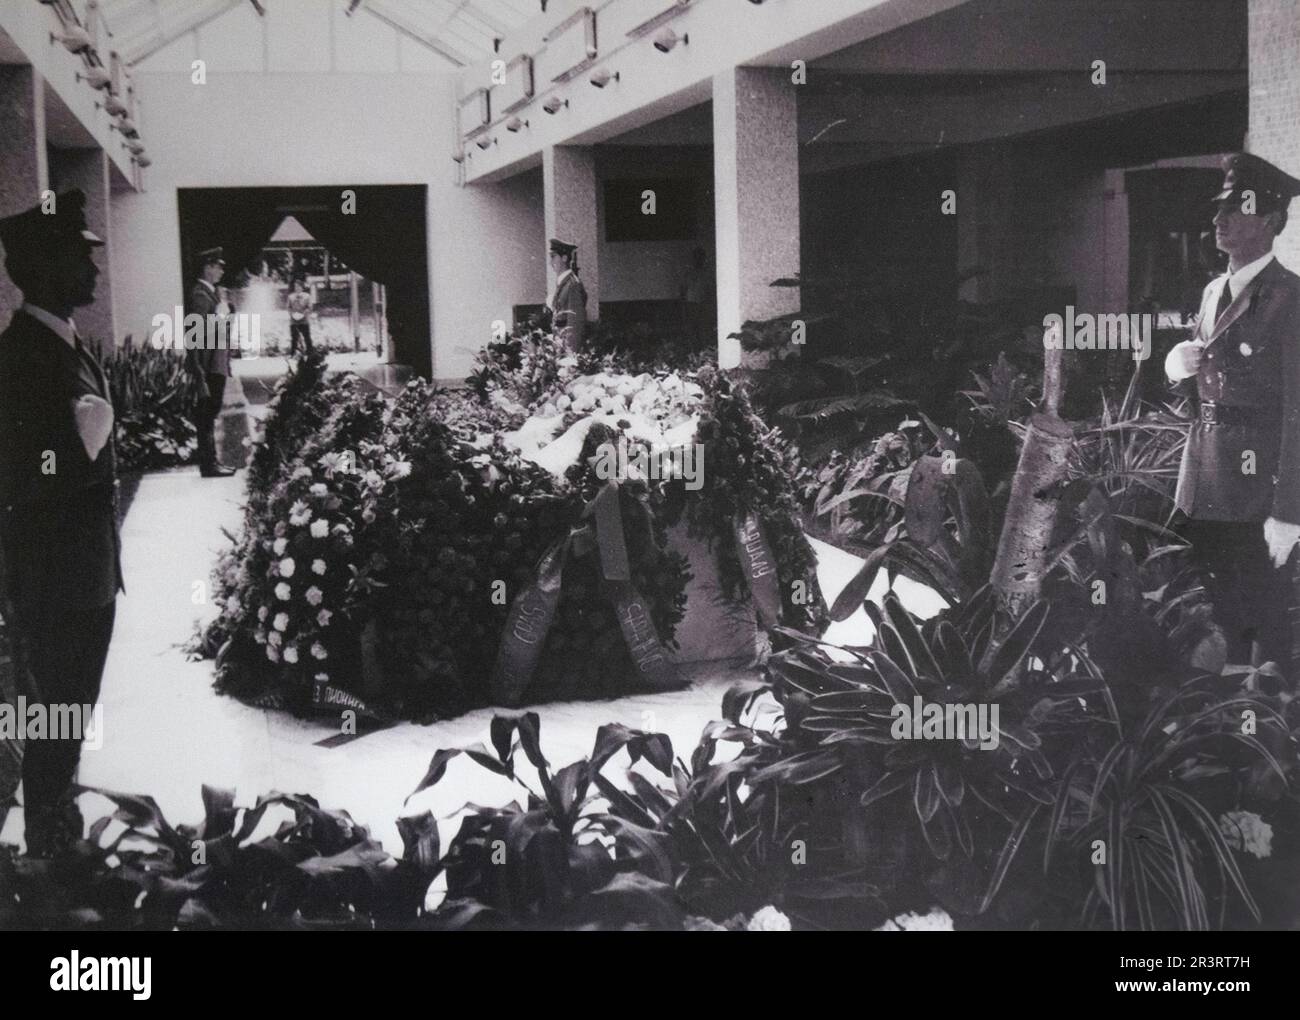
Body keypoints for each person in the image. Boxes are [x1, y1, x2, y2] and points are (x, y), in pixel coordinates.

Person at [0, 189, 123, 858]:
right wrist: (81, 446)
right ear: (44, 269)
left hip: (88, 570)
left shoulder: (68, 343)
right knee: (54, 716)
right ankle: (49, 852)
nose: (94, 271)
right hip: (54, 577)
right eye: (81, 257)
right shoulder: (19, 356)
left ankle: (59, 834)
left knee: (72, 716)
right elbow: (20, 478)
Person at [1164, 152, 1300, 669]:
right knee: (1222, 609)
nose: (1219, 220)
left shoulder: (1292, 298)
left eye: (1237, 208)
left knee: (1267, 613)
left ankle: (1271, 723)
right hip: (1208, 477)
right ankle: (1230, 718)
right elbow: (1203, 393)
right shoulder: (1212, 291)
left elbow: (1298, 413)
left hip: (1258, 487)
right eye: (1219, 208)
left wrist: (1288, 511)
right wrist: (1176, 369)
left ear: (1271, 221)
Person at [187, 247, 236, 478]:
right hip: (208, 365)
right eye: (218, 266)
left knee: (210, 413)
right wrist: (199, 372)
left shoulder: (211, 294)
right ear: (207, 267)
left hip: (215, 362)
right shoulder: (200, 295)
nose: (221, 270)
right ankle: (209, 465)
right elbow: (196, 335)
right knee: (207, 414)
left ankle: (212, 462)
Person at [544, 237, 587, 351]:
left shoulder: (573, 285)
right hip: (560, 346)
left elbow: (575, 324)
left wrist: (570, 355)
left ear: (564, 258)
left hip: (566, 349)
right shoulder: (563, 283)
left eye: (553, 257)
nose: (550, 262)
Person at [286, 277, 313, 356]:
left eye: (298, 286)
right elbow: (288, 307)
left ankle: (310, 353)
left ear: (302, 287)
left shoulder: (307, 296)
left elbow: (310, 307)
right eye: (295, 287)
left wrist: (304, 314)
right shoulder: (290, 297)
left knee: (307, 337)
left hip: (304, 320)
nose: (296, 288)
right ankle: (293, 353)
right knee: (294, 338)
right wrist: (292, 314)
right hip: (294, 321)